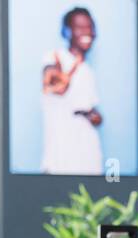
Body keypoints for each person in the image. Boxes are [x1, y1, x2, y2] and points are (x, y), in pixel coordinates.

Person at [40, 6, 103, 175]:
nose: (87, 32)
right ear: (67, 31)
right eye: (80, 27)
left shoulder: (87, 70)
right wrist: (69, 72)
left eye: (89, 27)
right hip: (60, 149)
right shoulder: (54, 58)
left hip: (87, 149)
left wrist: (94, 116)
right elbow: (56, 85)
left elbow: (90, 109)